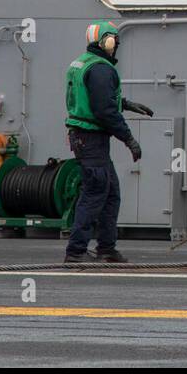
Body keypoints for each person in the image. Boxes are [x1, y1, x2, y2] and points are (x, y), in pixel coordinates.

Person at [63, 21, 153, 264]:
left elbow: (94, 97)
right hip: (91, 139)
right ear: (107, 41)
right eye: (113, 41)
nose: (115, 47)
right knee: (94, 193)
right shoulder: (102, 69)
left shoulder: (82, 62)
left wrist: (126, 103)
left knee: (111, 193)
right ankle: (76, 251)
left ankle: (106, 248)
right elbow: (104, 110)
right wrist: (129, 139)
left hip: (86, 138)